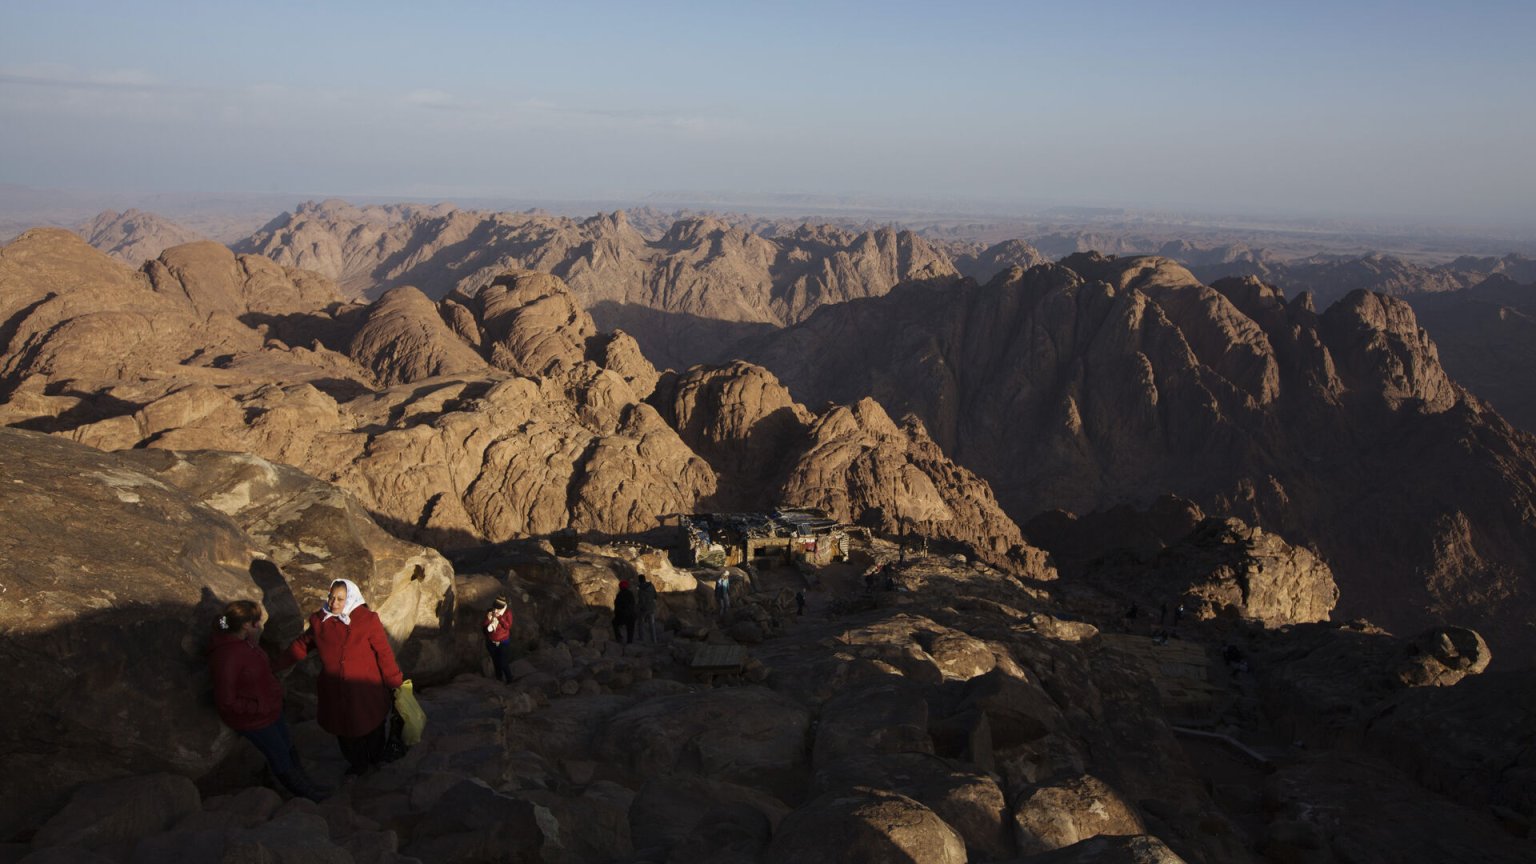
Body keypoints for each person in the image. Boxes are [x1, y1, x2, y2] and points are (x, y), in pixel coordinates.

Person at [208, 600, 328, 801]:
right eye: (256, 623)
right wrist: (258, 706)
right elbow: (226, 700)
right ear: (246, 625)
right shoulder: (227, 655)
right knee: (279, 754)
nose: (259, 626)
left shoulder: (245, 643)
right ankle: (305, 795)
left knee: (288, 746)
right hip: (254, 718)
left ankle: (309, 785)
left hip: (269, 709)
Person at [284, 579, 404, 775]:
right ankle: (359, 765)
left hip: (365, 688)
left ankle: (375, 759)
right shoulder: (319, 621)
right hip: (336, 691)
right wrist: (276, 665)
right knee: (344, 731)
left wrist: (394, 681)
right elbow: (301, 646)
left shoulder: (367, 619)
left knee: (373, 726)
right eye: (331, 597)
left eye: (340, 599)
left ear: (351, 599)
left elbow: (383, 653)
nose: (334, 603)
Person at [485, 597, 514, 683]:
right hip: (491, 641)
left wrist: (500, 618)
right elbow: (484, 626)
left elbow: (508, 626)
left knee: (503, 662)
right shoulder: (491, 611)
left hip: (503, 641)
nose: (496, 610)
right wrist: (488, 619)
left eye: (499, 608)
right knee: (495, 661)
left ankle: (509, 678)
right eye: (495, 607)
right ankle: (499, 678)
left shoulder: (507, 613)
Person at [612, 579, 637, 644]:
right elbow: (633, 604)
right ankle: (629, 642)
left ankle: (619, 637)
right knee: (630, 629)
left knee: (614, 623)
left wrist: (617, 615)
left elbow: (617, 607)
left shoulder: (619, 595)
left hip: (622, 616)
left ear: (620, 587)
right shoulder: (630, 594)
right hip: (631, 615)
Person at [636, 575, 659, 643]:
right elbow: (655, 596)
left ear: (639, 580)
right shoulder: (651, 586)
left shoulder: (640, 589)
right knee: (652, 624)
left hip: (644, 609)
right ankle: (654, 640)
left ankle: (641, 639)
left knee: (641, 624)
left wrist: (639, 608)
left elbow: (641, 601)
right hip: (651, 607)